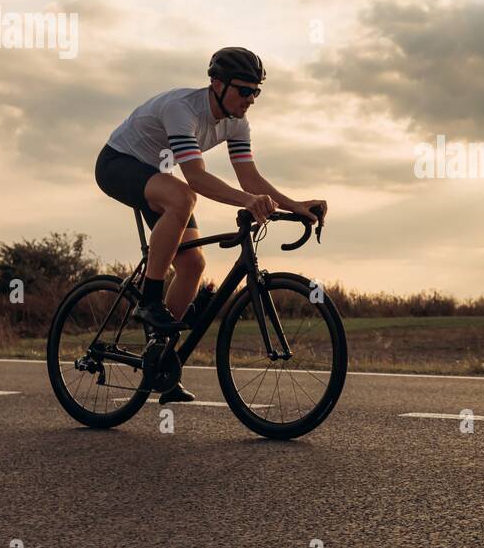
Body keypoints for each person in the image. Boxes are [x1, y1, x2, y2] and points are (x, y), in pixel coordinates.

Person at [94, 47, 327, 403]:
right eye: (243, 90)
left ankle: (160, 363)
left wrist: (297, 206)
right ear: (216, 84)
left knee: (193, 265)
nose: (250, 99)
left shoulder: (237, 122)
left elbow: (249, 177)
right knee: (184, 196)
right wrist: (247, 202)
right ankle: (150, 299)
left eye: (256, 92)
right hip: (117, 163)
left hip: (156, 175)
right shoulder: (182, 109)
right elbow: (198, 178)